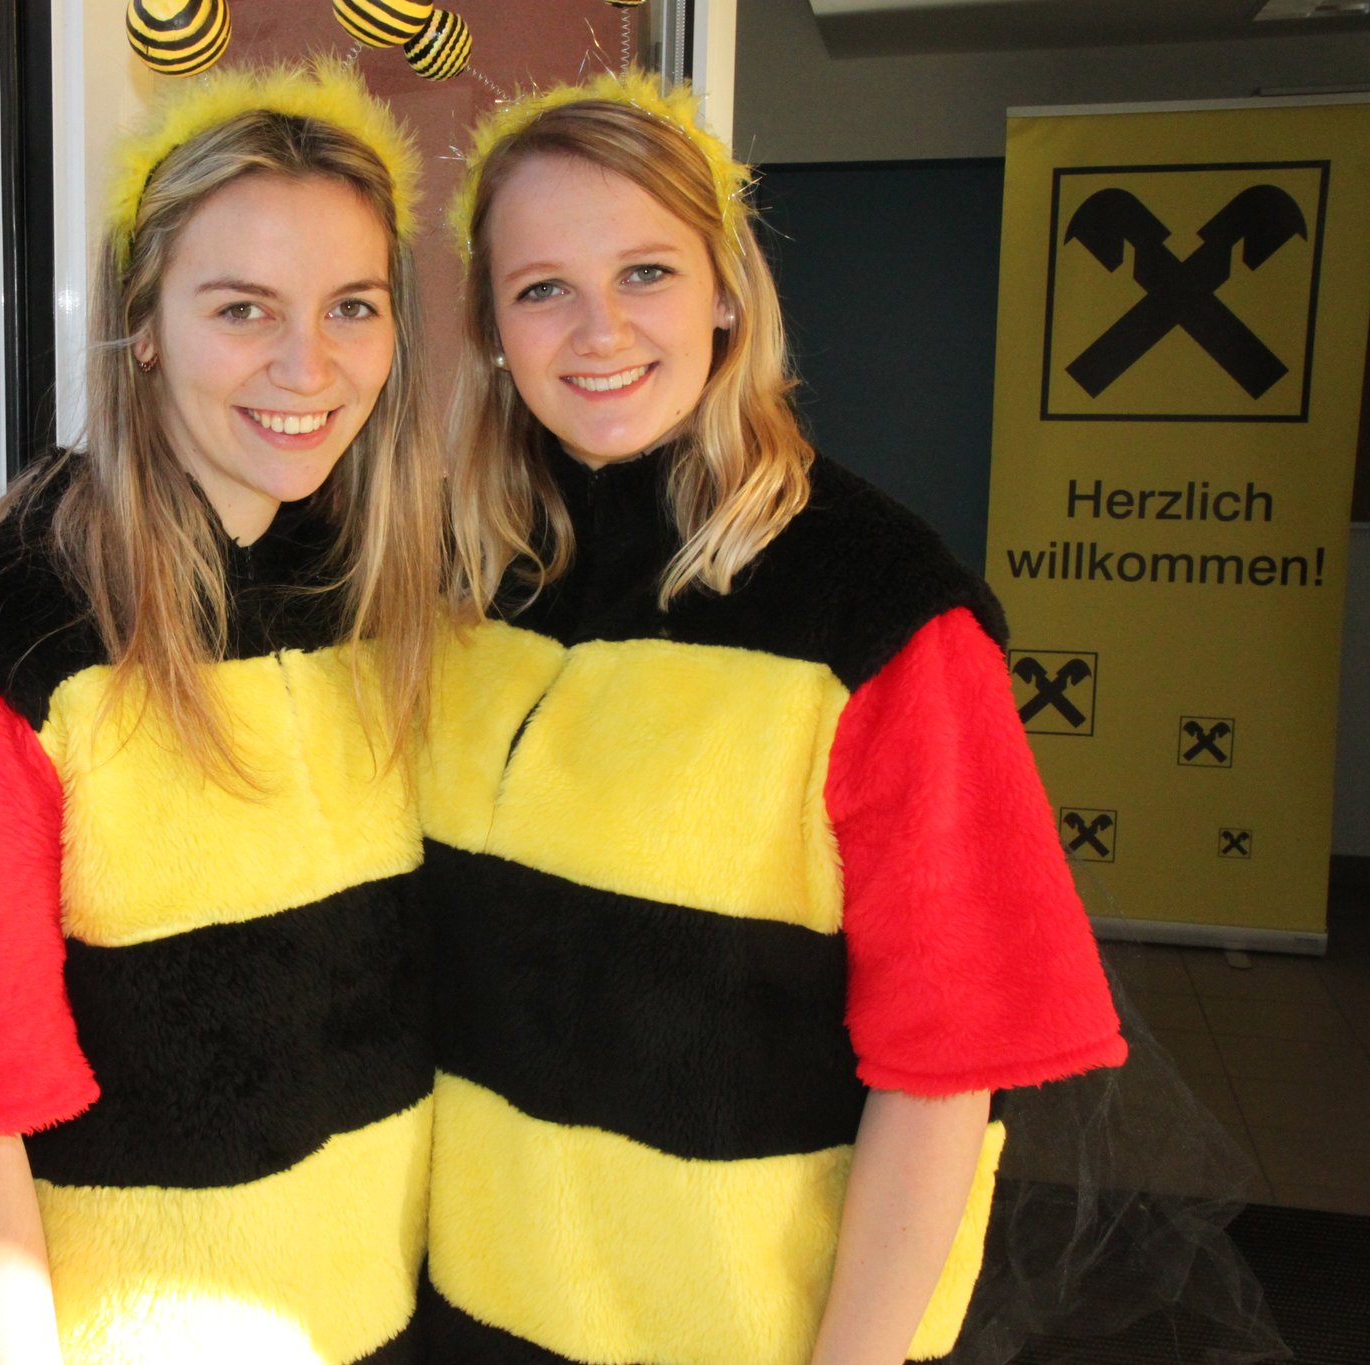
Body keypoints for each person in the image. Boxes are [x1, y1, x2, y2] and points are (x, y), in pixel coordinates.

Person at [413, 72, 1129, 1365]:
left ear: (728, 290)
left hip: (745, 1328)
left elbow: (945, 1063)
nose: (597, 331)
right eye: (542, 290)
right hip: (473, 1310)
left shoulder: (883, 609)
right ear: (492, 330)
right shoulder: (468, 579)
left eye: (646, 273)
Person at [0, 63, 444, 1364]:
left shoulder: (375, 592)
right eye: (242, 308)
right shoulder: (11, 634)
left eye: (352, 306)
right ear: (143, 323)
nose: (307, 363)